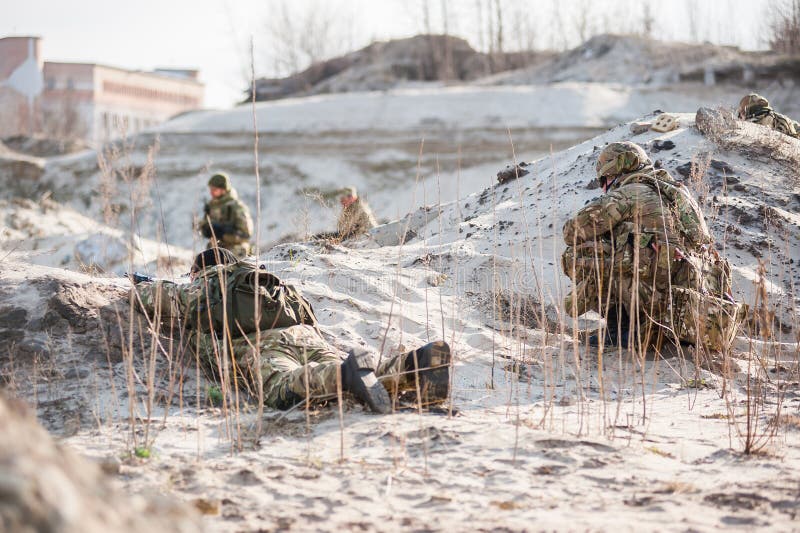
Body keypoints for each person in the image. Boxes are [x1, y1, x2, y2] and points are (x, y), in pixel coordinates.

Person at [131, 248, 450, 412]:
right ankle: (416, 364)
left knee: (281, 387)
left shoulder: (205, 284)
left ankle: (345, 375)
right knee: (361, 374)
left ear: (199, 270)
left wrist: (144, 285)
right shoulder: (263, 282)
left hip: (258, 345)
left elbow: (145, 298)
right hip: (304, 335)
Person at [561, 141, 746, 353]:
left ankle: (621, 330)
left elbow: (572, 231)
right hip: (687, 306)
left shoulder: (629, 192)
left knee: (576, 252)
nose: (603, 187)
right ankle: (650, 330)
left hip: (657, 302)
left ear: (614, 172)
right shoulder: (679, 194)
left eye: (603, 180)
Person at [197, 172, 254, 258]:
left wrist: (223, 233)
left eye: (214, 189)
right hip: (217, 248)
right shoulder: (211, 206)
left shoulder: (237, 207)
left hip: (236, 250)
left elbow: (246, 235)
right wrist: (205, 229)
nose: (211, 192)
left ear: (223, 189)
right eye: (210, 189)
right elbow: (204, 225)